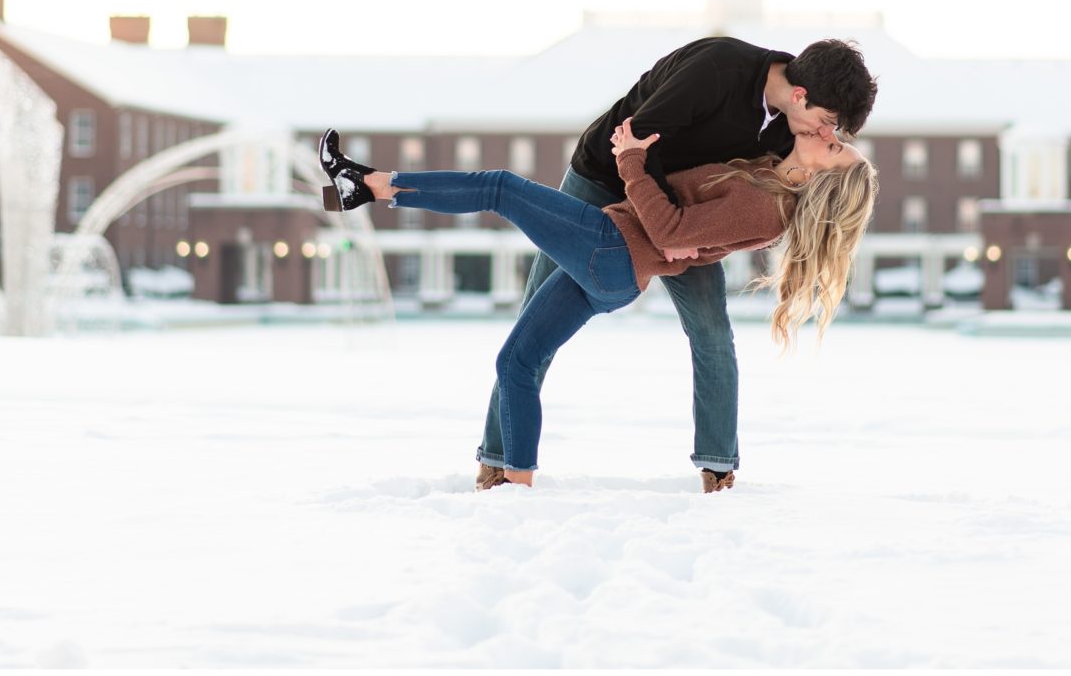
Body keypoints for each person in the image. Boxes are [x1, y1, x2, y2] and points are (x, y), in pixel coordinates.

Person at [336, 35, 878, 492]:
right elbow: (638, 138)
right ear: (802, 94)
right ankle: (497, 466)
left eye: (836, 138)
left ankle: (718, 470)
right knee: (530, 332)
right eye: (829, 124)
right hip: (607, 184)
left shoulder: (794, 130)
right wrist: (674, 231)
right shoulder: (720, 68)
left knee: (711, 331)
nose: (828, 135)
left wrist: (686, 238)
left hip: (659, 224)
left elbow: (760, 205)